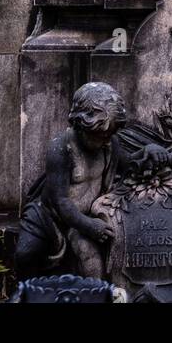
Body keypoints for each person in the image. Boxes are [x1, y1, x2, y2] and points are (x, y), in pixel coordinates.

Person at [15, 82, 127, 277]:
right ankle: (29, 293)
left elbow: (131, 164)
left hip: (88, 216)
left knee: (93, 261)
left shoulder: (109, 145)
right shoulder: (61, 148)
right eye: (100, 135)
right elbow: (60, 201)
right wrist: (88, 226)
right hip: (49, 216)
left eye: (110, 134)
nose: (106, 140)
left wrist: (152, 153)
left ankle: (95, 295)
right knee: (25, 253)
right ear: (81, 124)